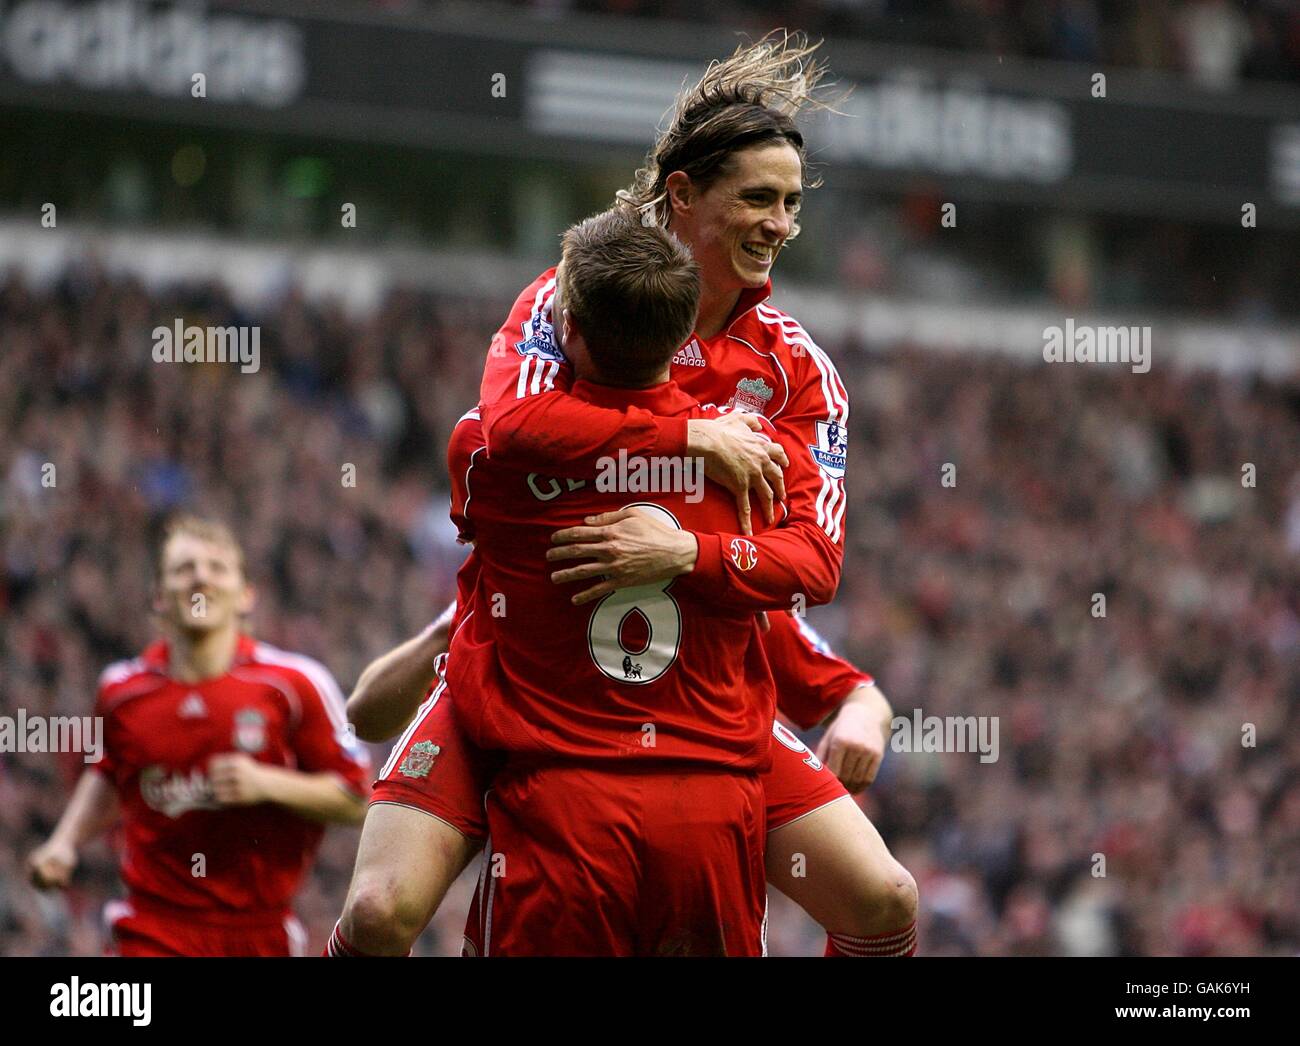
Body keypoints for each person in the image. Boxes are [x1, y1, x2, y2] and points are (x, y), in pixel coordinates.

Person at [336, 31, 916, 959]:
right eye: (758, 199)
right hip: (526, 671)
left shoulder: (799, 372)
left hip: (696, 699)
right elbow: (508, 427)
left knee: (885, 896)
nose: (779, 224)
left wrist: (688, 553)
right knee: (378, 913)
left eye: (792, 204)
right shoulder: (573, 301)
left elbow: (813, 562)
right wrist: (687, 433)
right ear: (682, 195)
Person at [28, 515, 370, 956]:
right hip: (152, 926)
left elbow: (357, 797)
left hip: (258, 932)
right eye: (184, 568)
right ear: (158, 598)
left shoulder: (295, 684)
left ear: (246, 596)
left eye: (217, 567)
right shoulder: (121, 691)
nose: (201, 577)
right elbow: (111, 771)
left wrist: (266, 783)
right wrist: (64, 842)